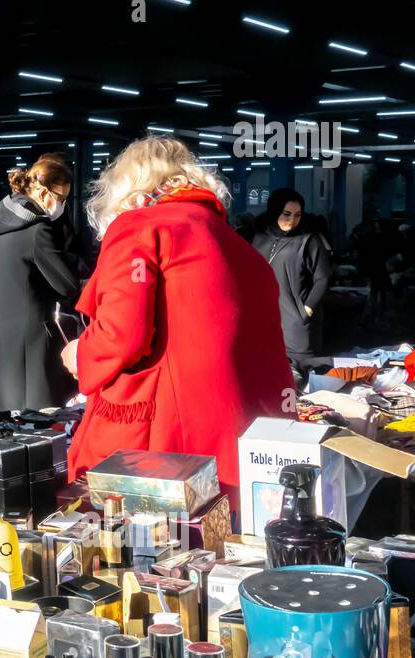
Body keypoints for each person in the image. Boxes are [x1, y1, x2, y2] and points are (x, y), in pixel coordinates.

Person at [62, 137, 293, 512]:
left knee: (150, 550)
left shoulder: (137, 227)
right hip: (241, 438)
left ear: (126, 187)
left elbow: (123, 334)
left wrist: (80, 355)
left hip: (165, 442)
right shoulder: (237, 245)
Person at [0, 154, 79, 417]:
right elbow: (68, 287)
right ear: (42, 191)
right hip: (24, 353)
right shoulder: (38, 230)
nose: (61, 205)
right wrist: (63, 229)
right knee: (37, 433)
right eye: (60, 198)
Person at [250, 188, 333, 373]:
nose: (292, 220)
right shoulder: (260, 238)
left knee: (301, 380)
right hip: (265, 320)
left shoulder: (308, 239)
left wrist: (306, 310)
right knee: (267, 373)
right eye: (286, 214)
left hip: (296, 325)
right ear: (274, 211)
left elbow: (323, 277)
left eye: (297, 215)